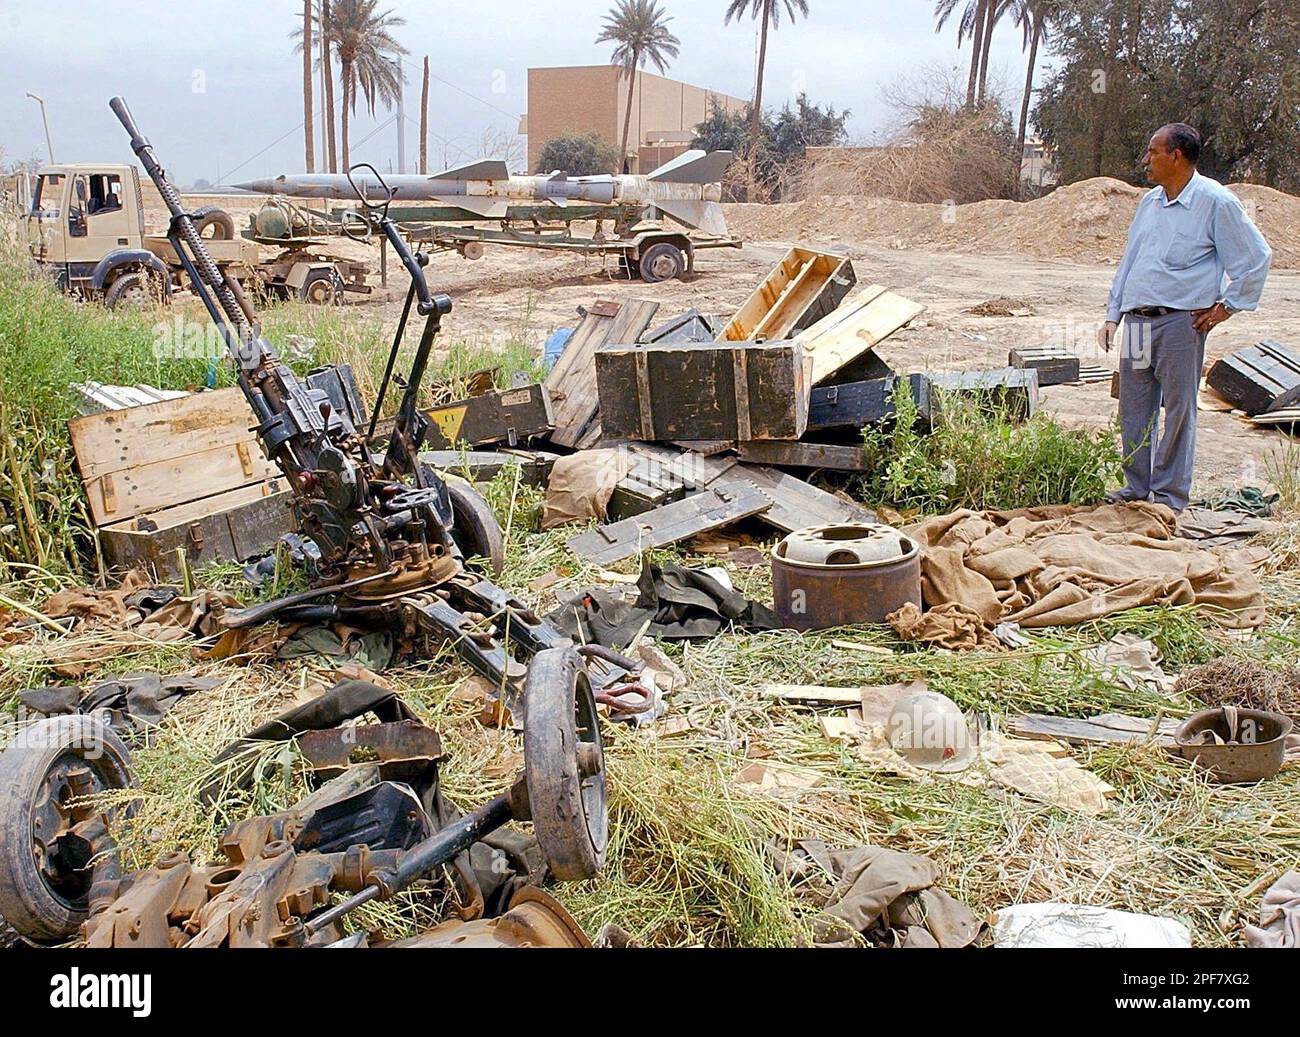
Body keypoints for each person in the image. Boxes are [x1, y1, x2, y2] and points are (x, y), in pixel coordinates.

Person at [1098, 123, 1272, 512]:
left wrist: (1226, 307)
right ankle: (1136, 489)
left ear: (1175, 156)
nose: (1145, 160)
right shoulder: (1149, 203)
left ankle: (1169, 496)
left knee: (1178, 411)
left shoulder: (1216, 202)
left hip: (1181, 324)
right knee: (1134, 408)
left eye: (1152, 152)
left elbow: (1256, 258)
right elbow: (1131, 262)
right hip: (1138, 324)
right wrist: (1114, 314)